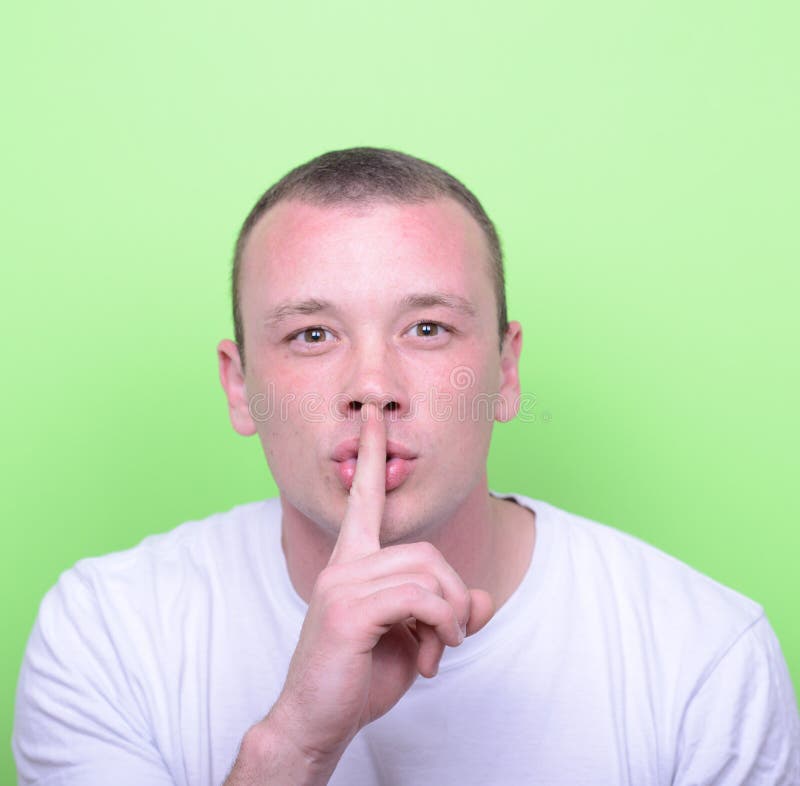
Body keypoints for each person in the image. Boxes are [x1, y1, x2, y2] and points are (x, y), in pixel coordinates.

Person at [13, 148, 800, 785]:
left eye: (427, 328)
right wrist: (295, 744)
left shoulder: (705, 654)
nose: (373, 387)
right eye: (312, 335)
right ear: (239, 386)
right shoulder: (107, 635)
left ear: (506, 372)